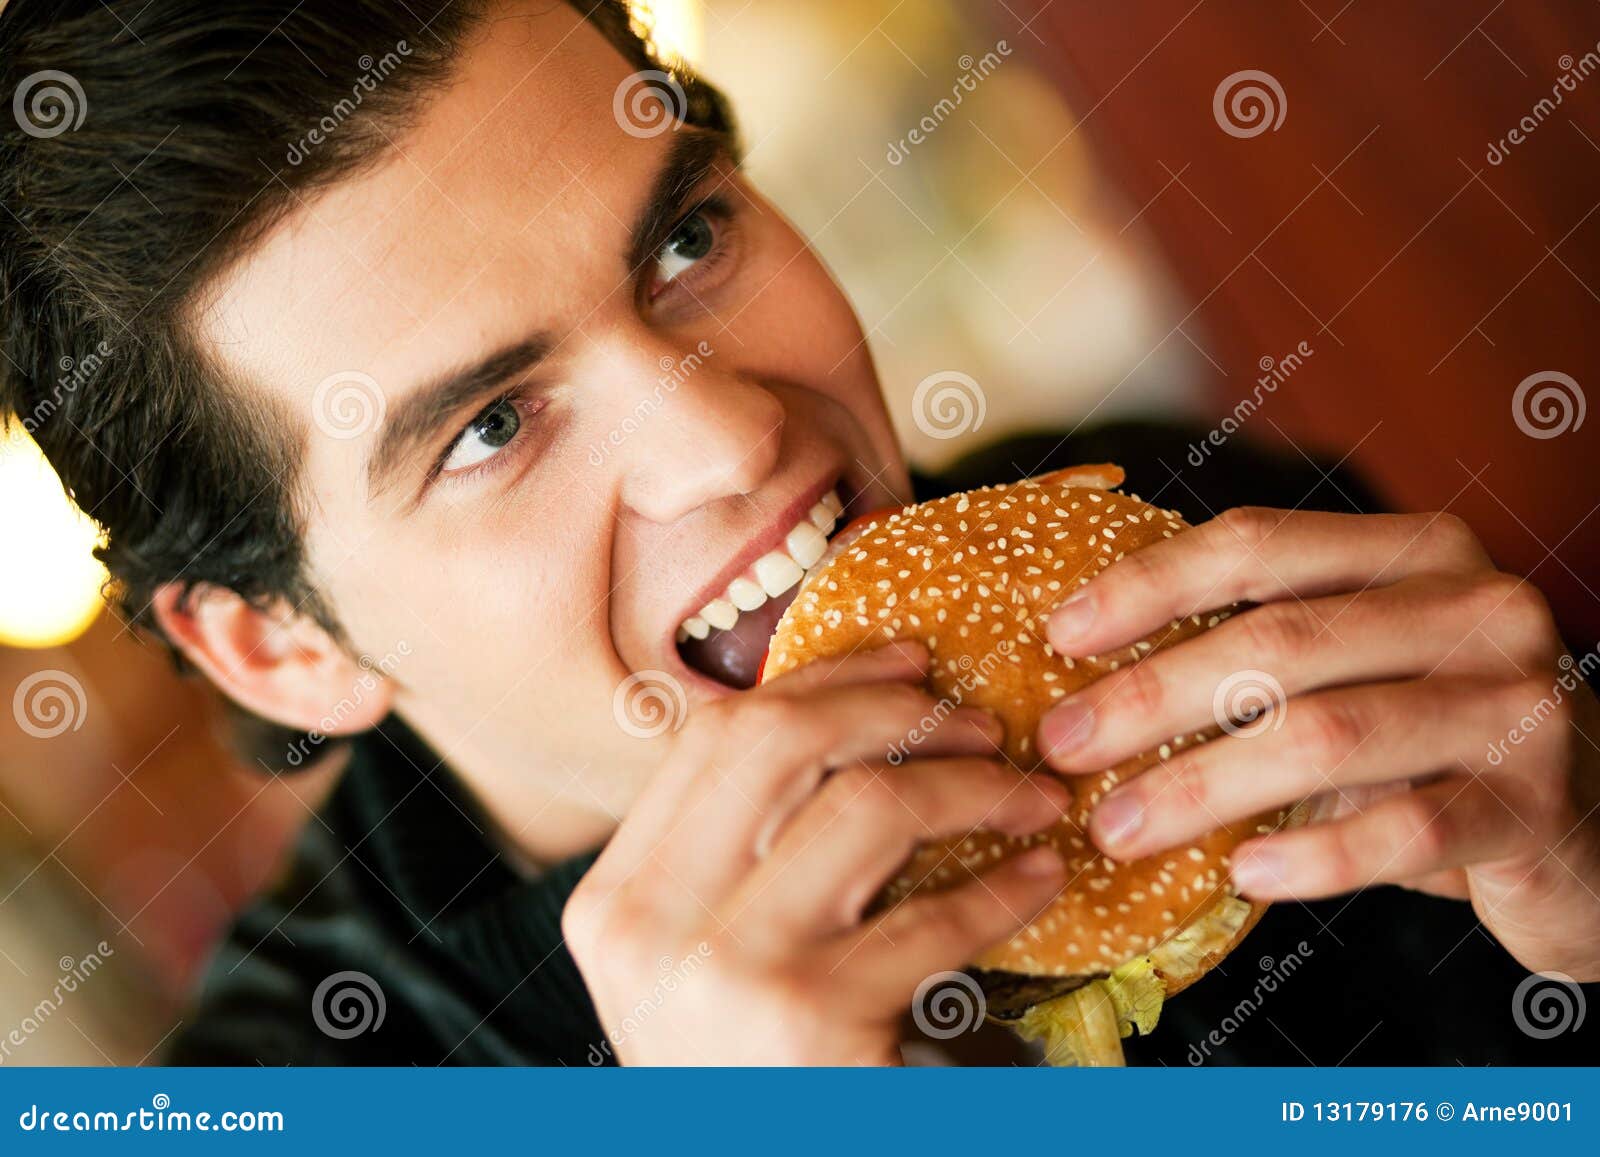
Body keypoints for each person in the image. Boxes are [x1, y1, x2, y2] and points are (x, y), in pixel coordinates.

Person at [1, 0, 1595, 1066]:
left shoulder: (1184, 533)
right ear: (280, 641)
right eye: (490, 425)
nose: (739, 435)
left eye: (687, 237)